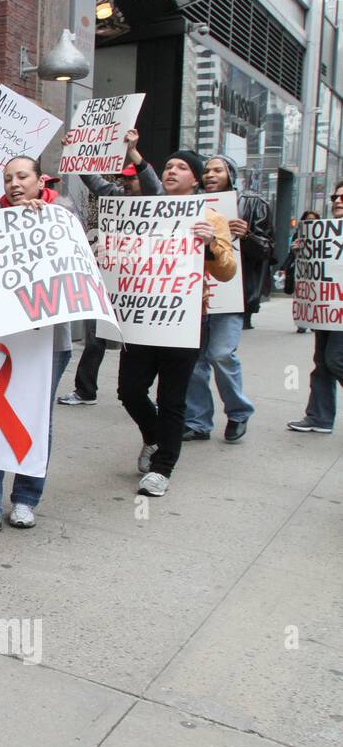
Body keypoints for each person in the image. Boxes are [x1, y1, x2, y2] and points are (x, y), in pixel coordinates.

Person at [0, 156, 74, 536]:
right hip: (2, 336)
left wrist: (44, 218)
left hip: (49, 339)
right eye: (8, 178)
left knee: (36, 417)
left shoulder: (61, 210)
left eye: (22, 176)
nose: (14, 183)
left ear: (39, 179)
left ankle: (26, 499)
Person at [119, 151, 237, 497]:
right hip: (142, 316)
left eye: (181, 167)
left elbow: (227, 271)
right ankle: (155, 436)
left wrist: (211, 243)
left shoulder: (212, 218)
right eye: (168, 165)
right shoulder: (144, 212)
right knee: (129, 390)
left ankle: (162, 467)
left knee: (172, 398)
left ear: (196, 179)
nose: (172, 171)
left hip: (183, 320)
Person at [58, 128, 162, 407]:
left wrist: (133, 152)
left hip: (141, 284)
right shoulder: (114, 196)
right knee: (94, 339)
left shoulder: (156, 202)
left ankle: (140, 391)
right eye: (123, 179)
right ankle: (86, 390)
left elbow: (153, 185)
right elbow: (92, 179)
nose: (125, 184)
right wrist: (75, 151)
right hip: (108, 279)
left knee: (142, 343)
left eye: (132, 179)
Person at [183, 155, 270, 442]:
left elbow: (270, 251)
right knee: (195, 361)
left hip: (231, 296)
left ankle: (238, 411)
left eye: (217, 170)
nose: (210, 175)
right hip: (196, 296)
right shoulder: (187, 203)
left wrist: (247, 237)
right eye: (206, 170)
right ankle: (198, 421)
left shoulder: (251, 204)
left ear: (230, 174)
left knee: (221, 353)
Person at [287, 182, 343, 435]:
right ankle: (319, 417)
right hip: (328, 308)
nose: (338, 201)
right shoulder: (325, 232)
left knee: (335, 360)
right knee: (321, 362)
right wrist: (302, 252)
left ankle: (320, 416)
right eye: (335, 196)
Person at [283, 210, 319, 333]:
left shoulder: (322, 235)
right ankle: (303, 322)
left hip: (316, 272)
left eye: (313, 219)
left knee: (315, 297)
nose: (311, 222)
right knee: (302, 296)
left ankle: (314, 321)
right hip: (302, 271)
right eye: (308, 219)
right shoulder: (298, 234)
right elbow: (292, 253)